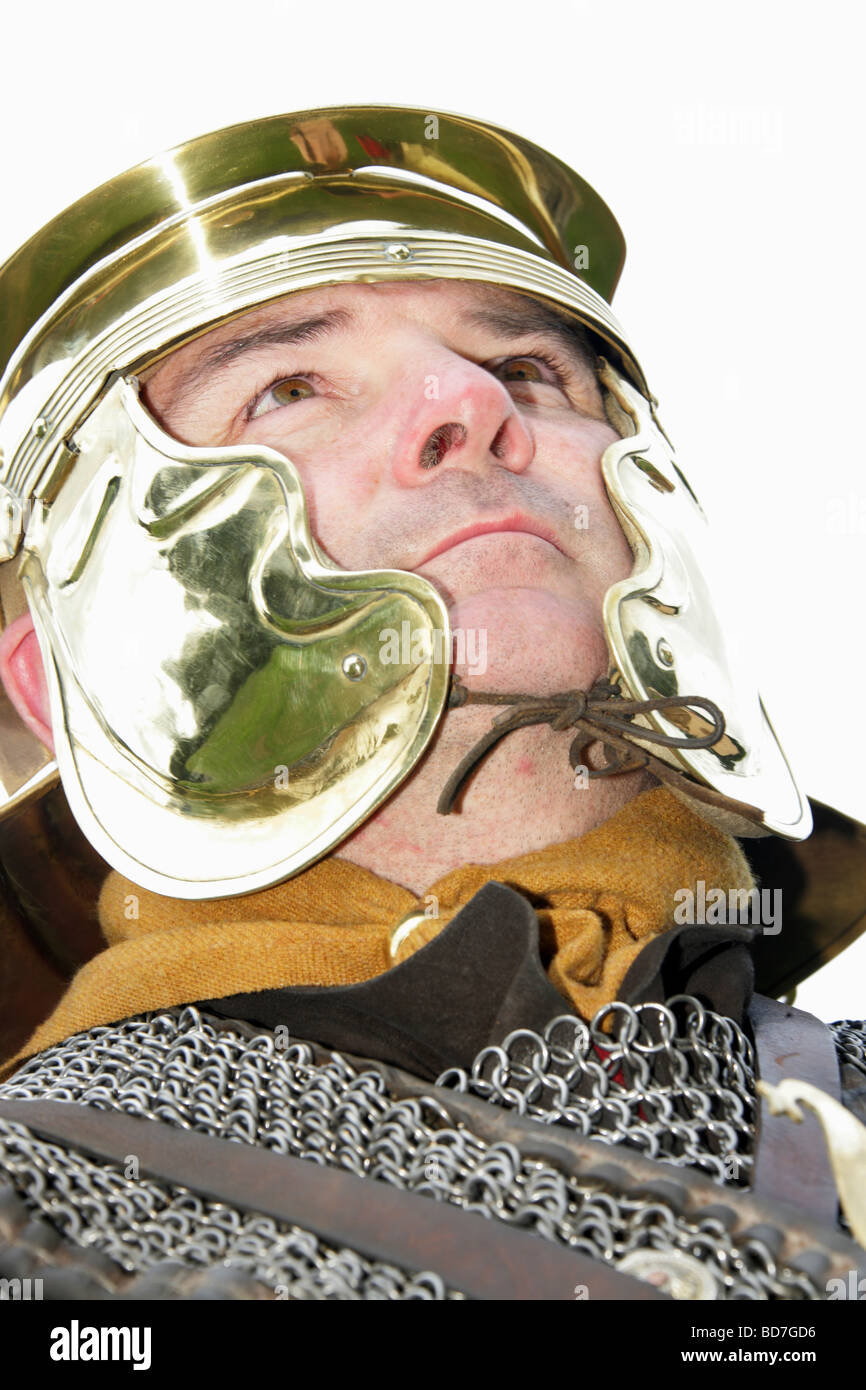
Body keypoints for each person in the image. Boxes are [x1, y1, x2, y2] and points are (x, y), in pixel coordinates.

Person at [0, 105, 863, 1303]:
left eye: (525, 368)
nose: (469, 402)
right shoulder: (41, 1211)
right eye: (287, 388)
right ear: (60, 678)